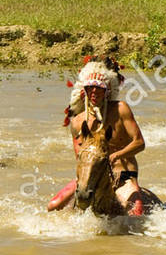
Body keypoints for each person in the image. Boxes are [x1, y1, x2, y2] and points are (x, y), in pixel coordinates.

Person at [50, 58, 147, 214]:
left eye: (99, 88)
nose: (94, 92)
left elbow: (140, 143)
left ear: (108, 90)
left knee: (136, 212)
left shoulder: (121, 109)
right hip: (91, 175)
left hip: (123, 176)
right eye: (90, 88)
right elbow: (80, 158)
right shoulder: (77, 121)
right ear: (85, 90)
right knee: (53, 206)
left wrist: (116, 155)